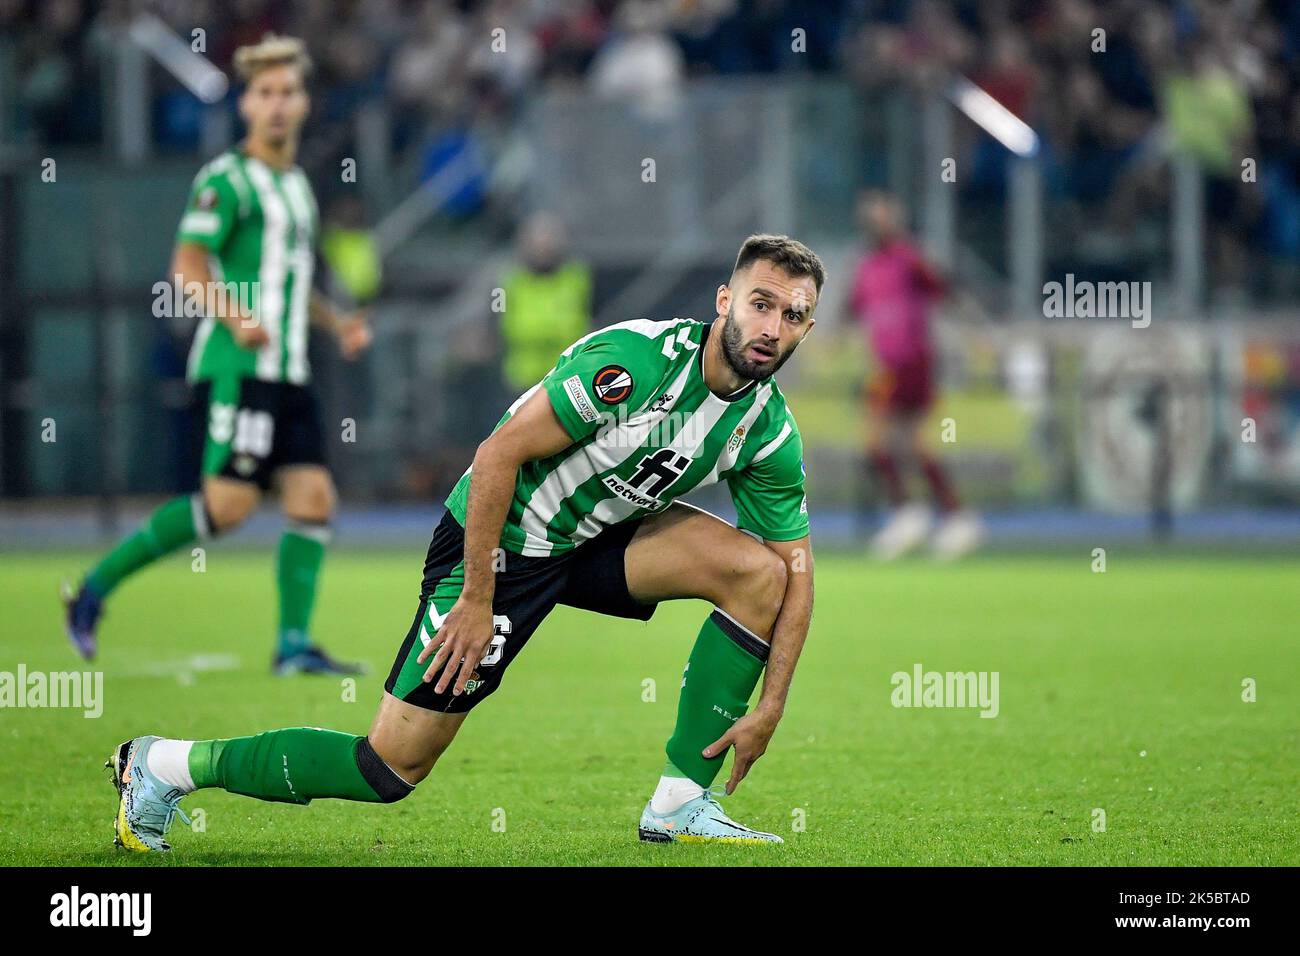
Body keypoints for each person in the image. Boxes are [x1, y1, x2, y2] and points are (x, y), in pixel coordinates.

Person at [107, 235, 823, 850]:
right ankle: (164, 765)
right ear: (725, 300)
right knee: (390, 768)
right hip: (502, 544)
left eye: (793, 315)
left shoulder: (768, 428)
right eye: (761, 302)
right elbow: (498, 455)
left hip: (598, 537)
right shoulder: (636, 363)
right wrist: (478, 598)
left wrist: (773, 705)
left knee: (761, 573)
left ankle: (680, 804)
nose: (773, 326)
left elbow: (799, 569)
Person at [64, 36, 371, 674]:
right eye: (265, 93)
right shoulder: (227, 179)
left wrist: (336, 322)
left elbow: (291, 279)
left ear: (304, 101)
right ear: (246, 105)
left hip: (288, 371)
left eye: (289, 92)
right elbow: (186, 264)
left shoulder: (296, 188)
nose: (278, 105)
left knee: (313, 499)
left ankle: (292, 648)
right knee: (227, 509)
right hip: (239, 368)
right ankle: (95, 586)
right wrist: (235, 318)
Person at [847, 190, 982, 560]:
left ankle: (915, 514)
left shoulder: (908, 259)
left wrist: (976, 334)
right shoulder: (866, 268)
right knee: (906, 443)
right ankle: (948, 516)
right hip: (885, 365)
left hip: (912, 362)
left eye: (884, 215)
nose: (877, 222)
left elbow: (943, 290)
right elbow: (854, 310)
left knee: (883, 440)